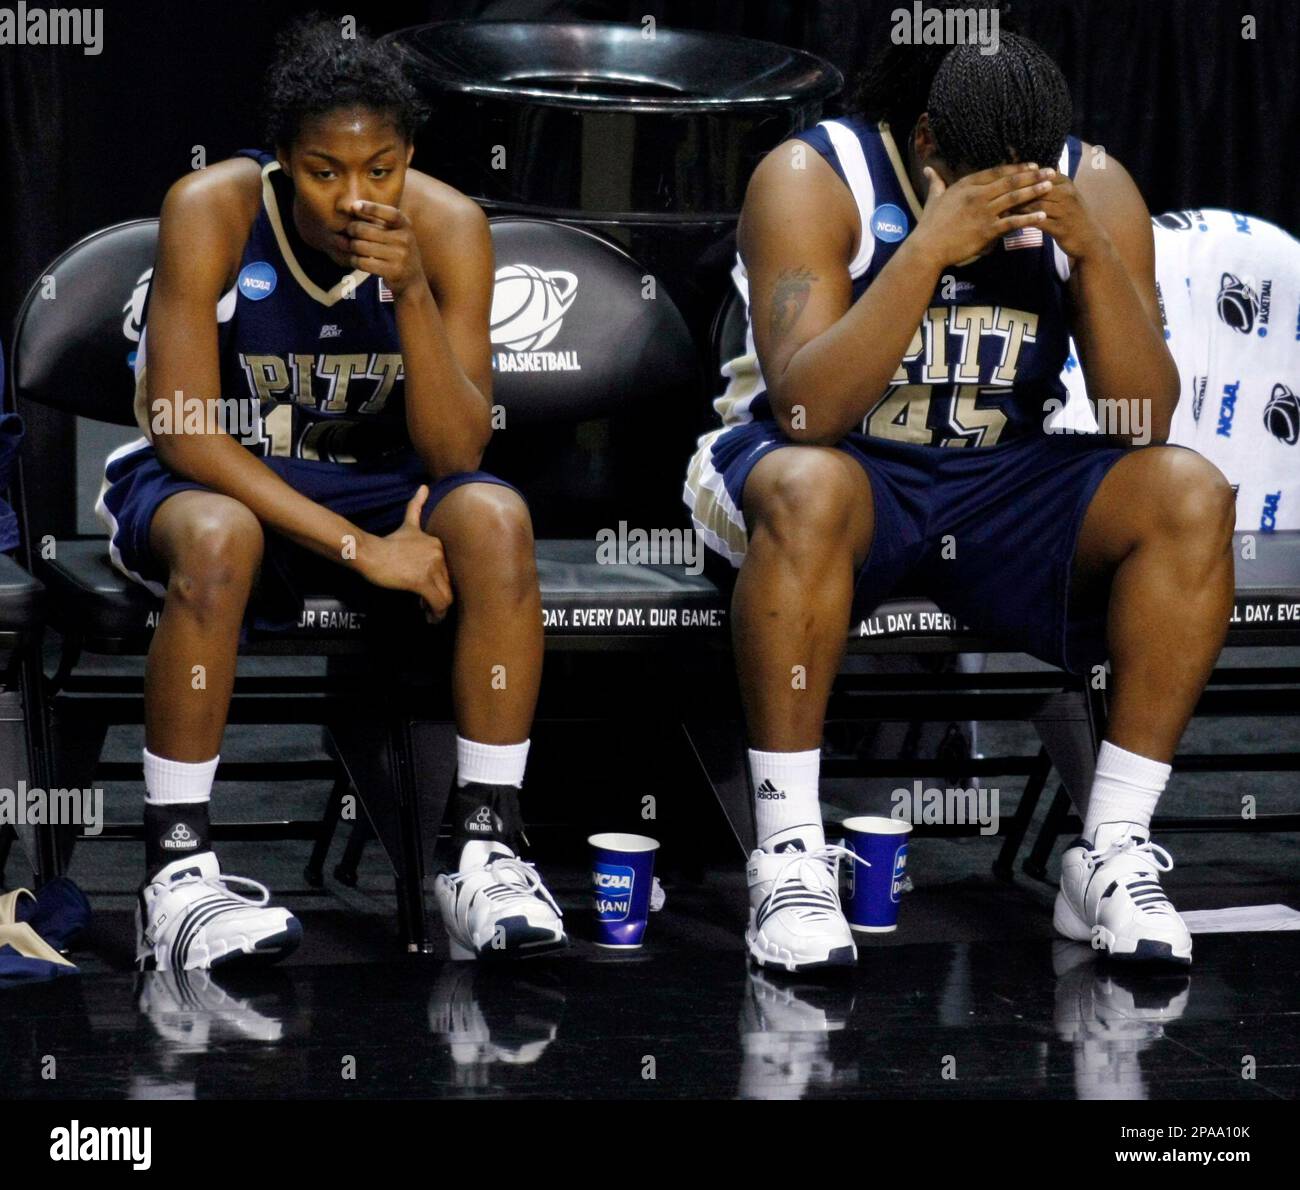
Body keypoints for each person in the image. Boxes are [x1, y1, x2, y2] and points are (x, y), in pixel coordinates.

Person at [684, 18, 1234, 972]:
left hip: (994, 479)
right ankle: (789, 855)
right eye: (992, 179)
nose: (1017, 203)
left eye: (1035, 173)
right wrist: (926, 249)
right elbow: (808, 409)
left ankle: (1109, 848)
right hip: (826, 469)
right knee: (811, 484)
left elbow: (1145, 420)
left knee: (1187, 494)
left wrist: (1095, 257)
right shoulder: (815, 179)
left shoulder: (1088, 183)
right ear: (930, 140)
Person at [97, 16, 567, 970]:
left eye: (381, 168)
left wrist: (415, 297)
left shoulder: (449, 228)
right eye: (324, 171)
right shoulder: (213, 207)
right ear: (280, 161)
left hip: (380, 490)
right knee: (222, 535)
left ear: (409, 160)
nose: (356, 196)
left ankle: (484, 847)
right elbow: (184, 427)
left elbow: (456, 448)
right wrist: (361, 551)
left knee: (496, 518)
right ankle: (176, 878)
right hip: (218, 480)